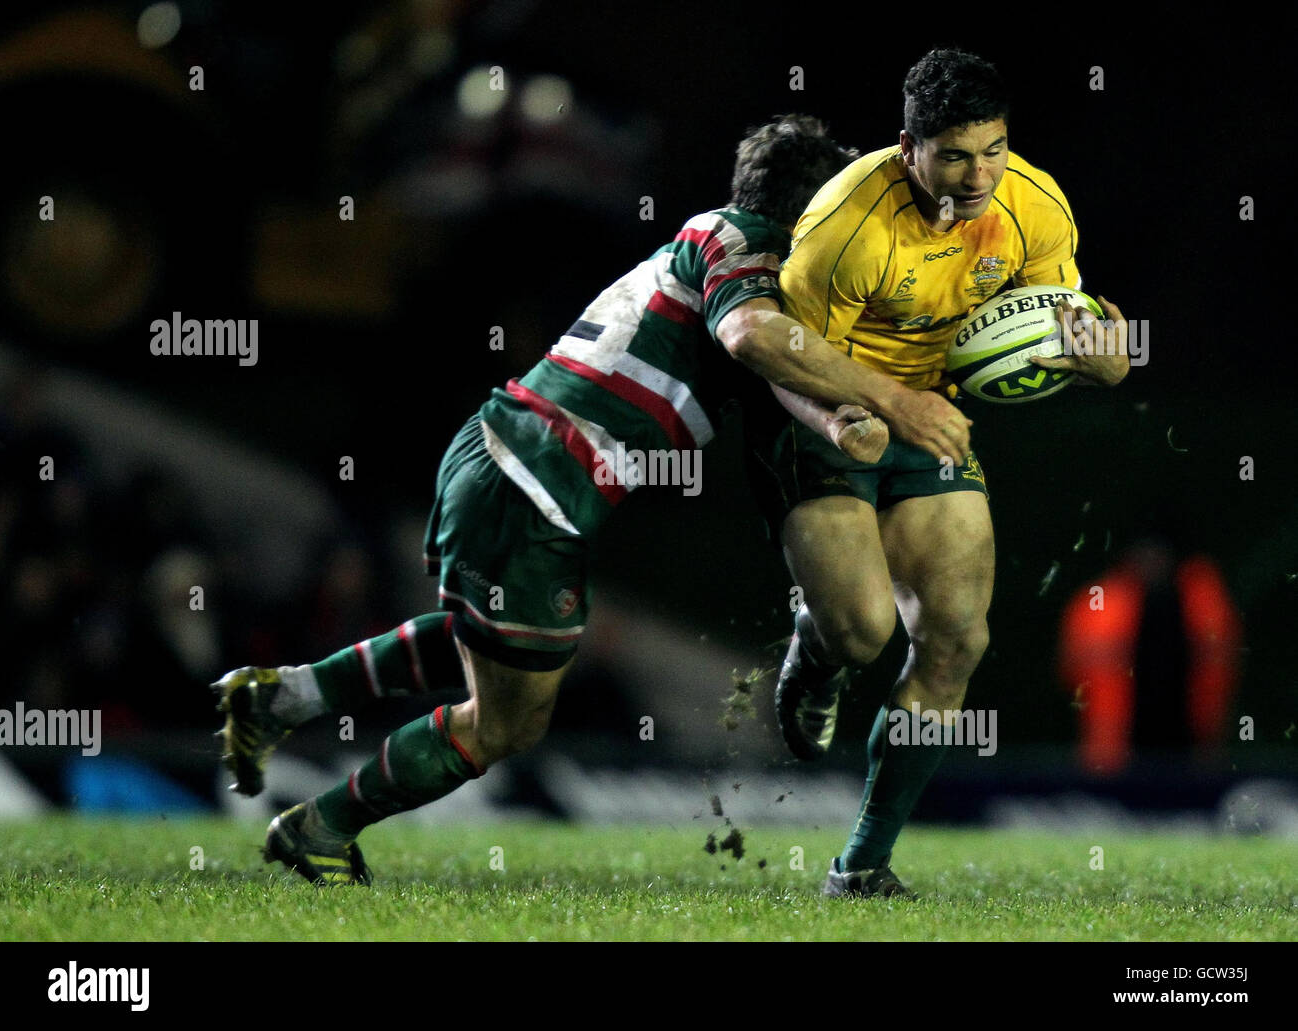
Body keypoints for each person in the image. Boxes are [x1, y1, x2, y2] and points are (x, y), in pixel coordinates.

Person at [214, 114, 898, 885]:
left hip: (502, 454)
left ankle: (284, 697)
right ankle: (318, 826)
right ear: (809, 212)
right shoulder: (747, 248)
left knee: (485, 641)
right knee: (507, 721)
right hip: (539, 483)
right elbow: (749, 334)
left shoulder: (709, 244)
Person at [760, 49, 1131, 898]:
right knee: (862, 631)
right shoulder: (844, 225)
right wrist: (849, 414)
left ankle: (862, 863)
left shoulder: (1034, 209)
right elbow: (784, 359)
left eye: (993, 149)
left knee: (959, 634)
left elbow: (1052, 331)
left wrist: (1102, 364)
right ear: (908, 148)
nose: (978, 175)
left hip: (931, 421)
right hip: (830, 412)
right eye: (955, 155)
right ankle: (815, 649)